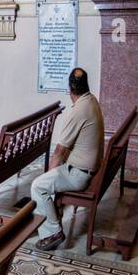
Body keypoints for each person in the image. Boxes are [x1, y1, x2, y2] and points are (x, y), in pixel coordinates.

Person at [31, 67, 104, 251]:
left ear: (70, 89)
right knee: (49, 179)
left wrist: (48, 174)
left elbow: (59, 151)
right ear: (86, 85)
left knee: (39, 186)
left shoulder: (78, 110)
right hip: (88, 167)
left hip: (79, 174)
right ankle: (50, 216)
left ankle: (53, 232)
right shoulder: (92, 100)